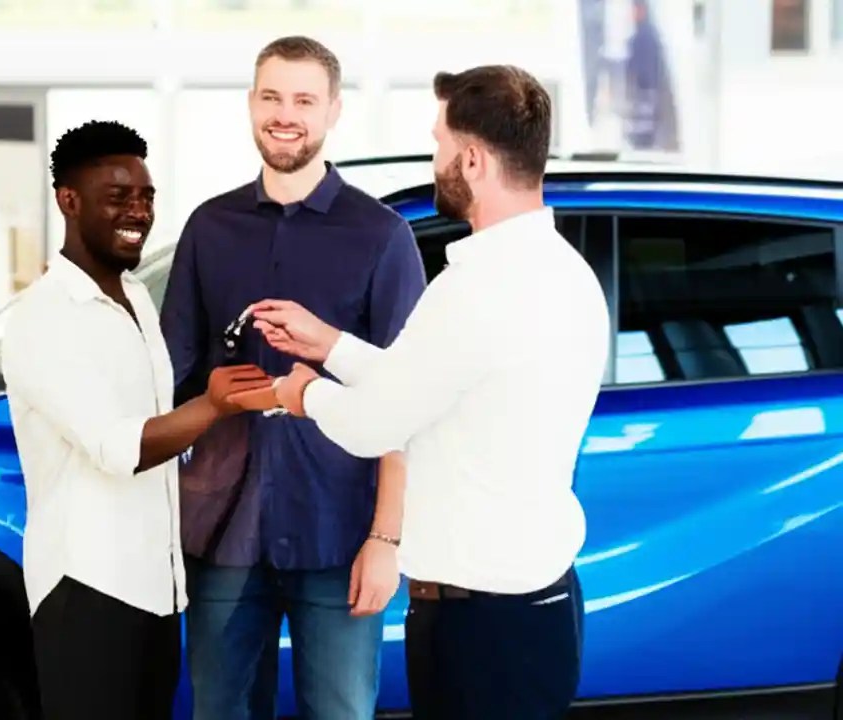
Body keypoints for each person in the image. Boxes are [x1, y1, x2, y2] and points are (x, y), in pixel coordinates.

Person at [251, 65, 610, 719]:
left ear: (472, 159)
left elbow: (374, 425)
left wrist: (301, 394)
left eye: (439, 144)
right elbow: (433, 384)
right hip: (539, 609)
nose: (436, 158)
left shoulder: (477, 289)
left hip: (482, 627)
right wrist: (332, 345)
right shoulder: (568, 275)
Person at [159, 36, 426, 720]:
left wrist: (386, 540)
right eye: (272, 97)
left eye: (304, 100)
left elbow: (407, 400)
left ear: (333, 111)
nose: (286, 114)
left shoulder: (382, 235)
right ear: (251, 104)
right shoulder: (208, 228)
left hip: (338, 533)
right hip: (221, 535)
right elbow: (172, 379)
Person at [1, 119, 275, 720]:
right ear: (68, 202)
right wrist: (213, 405)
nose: (138, 211)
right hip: (88, 589)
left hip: (154, 588)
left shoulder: (136, 297)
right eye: (118, 197)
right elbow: (115, 446)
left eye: (146, 197)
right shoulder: (46, 319)